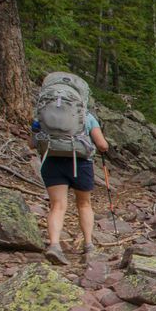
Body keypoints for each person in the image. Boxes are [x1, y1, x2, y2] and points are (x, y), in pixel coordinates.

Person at [29, 102, 109, 265]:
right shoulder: (86, 116)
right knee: (84, 204)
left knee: (57, 205)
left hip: (51, 161)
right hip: (80, 163)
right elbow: (101, 145)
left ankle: (54, 245)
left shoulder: (44, 115)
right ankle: (88, 245)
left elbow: (31, 143)